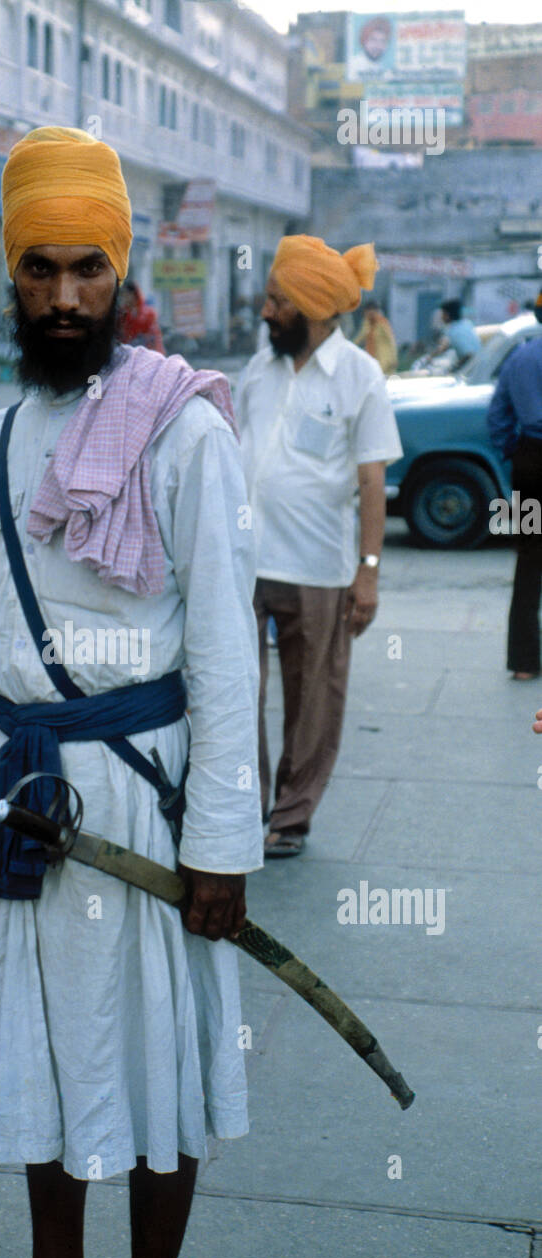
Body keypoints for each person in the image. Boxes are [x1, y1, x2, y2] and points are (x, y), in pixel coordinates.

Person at [0, 125, 262, 1258]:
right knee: (40, 1046)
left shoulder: (188, 432)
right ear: (5, 274)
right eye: (38, 269)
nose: (63, 298)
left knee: (159, 1055)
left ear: (123, 274)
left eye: (88, 270)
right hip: (10, 793)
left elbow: (223, 655)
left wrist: (219, 846)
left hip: (145, 802)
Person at [235, 235, 402, 858]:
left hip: (318, 569)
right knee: (232, 689)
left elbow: (371, 480)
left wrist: (369, 572)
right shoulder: (261, 364)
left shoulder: (359, 376)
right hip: (244, 562)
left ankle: (292, 816)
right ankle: (239, 807)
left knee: (313, 699)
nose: (266, 311)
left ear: (315, 308)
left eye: (278, 301)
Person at [487, 292, 542, 680]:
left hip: (529, 462)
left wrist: (514, 451)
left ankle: (523, 664)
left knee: (528, 561)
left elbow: (497, 417)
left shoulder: (520, 357)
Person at [429, 299, 480, 368]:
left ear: (447, 315)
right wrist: (431, 356)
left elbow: (469, 355)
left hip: (475, 368)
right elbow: (444, 346)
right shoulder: (466, 323)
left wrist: (455, 368)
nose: (441, 317)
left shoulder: (453, 331)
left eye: (442, 314)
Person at [118, 279, 164, 353]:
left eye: (126, 294)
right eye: (122, 295)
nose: (124, 298)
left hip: (148, 353)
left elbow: (154, 338)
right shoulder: (122, 315)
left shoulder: (148, 314)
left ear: (134, 294)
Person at [354, 299, 398, 375]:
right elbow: (360, 337)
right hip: (372, 357)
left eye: (371, 312)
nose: (368, 314)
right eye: (367, 312)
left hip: (384, 359)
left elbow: (391, 340)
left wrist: (394, 358)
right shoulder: (367, 323)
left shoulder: (382, 323)